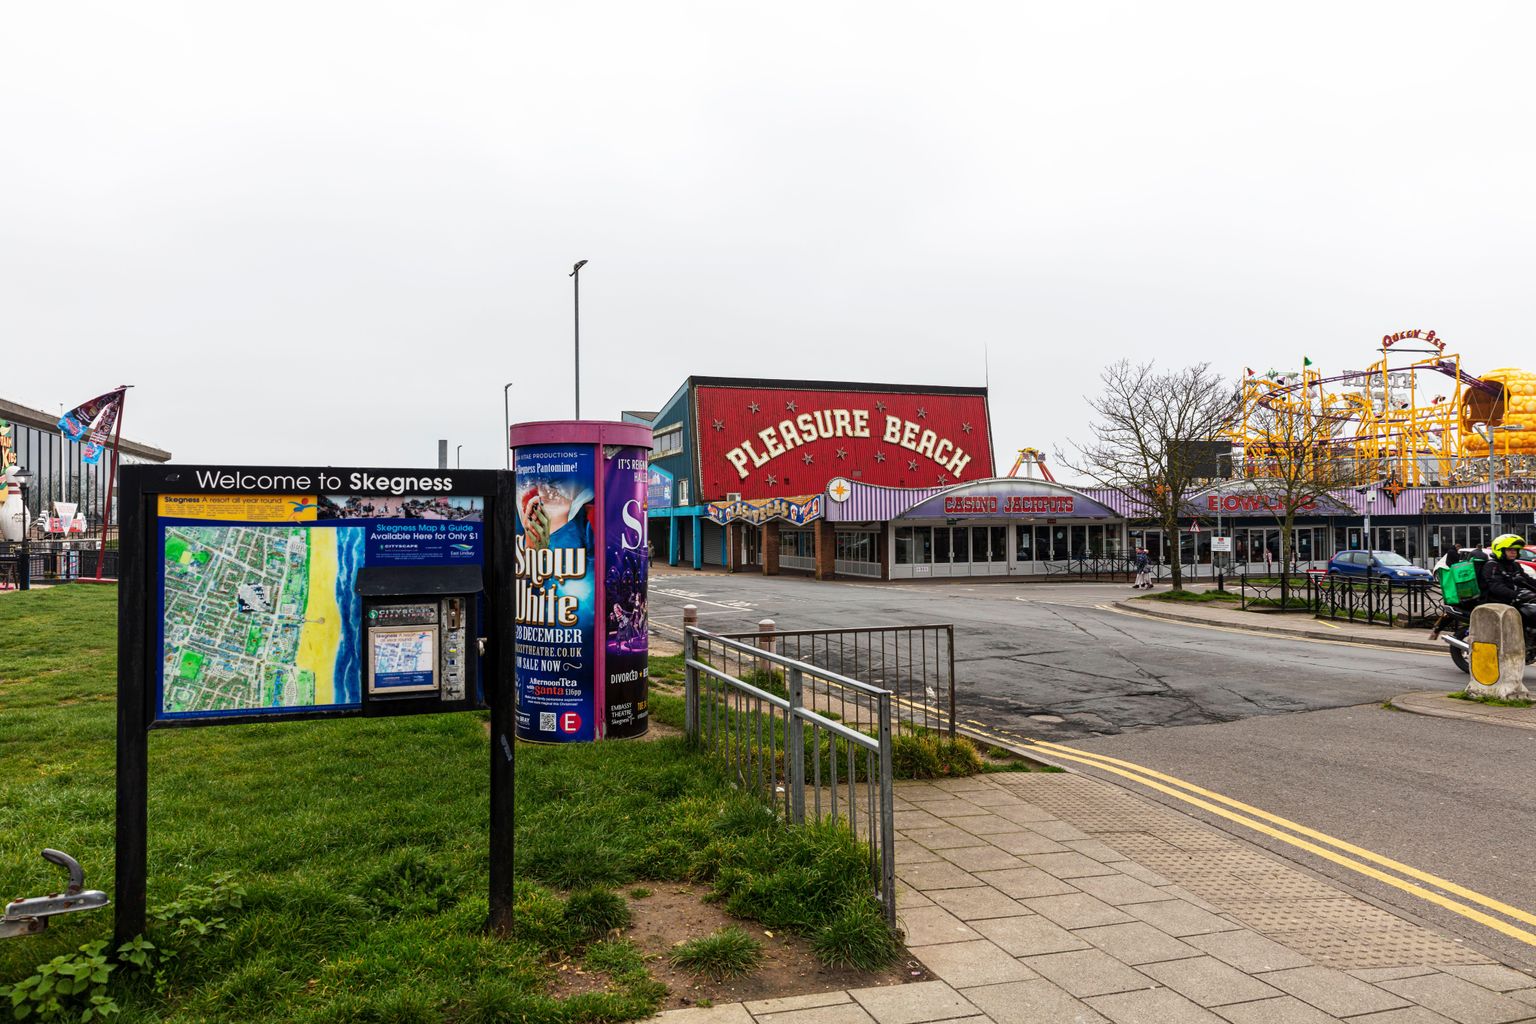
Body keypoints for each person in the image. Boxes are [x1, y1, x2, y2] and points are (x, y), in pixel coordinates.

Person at [1477, 534, 1536, 629]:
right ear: (1500, 550)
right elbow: (1496, 586)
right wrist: (1516, 595)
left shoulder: (1515, 565)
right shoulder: (1491, 565)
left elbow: (1527, 580)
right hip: (1495, 603)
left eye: (1515, 550)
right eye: (1509, 550)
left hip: (1511, 601)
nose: (1513, 552)